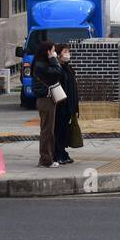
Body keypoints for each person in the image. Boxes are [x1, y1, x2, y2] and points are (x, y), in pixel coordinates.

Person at [31, 40, 63, 168]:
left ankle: (47, 157)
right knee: (47, 130)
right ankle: (45, 159)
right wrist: (54, 60)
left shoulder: (41, 63)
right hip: (45, 99)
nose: (54, 53)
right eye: (53, 50)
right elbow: (58, 72)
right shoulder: (41, 65)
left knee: (49, 129)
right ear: (47, 51)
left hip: (47, 98)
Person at [54, 45, 80, 166]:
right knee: (59, 130)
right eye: (65, 51)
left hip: (70, 105)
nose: (68, 53)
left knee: (64, 130)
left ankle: (63, 152)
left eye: (68, 51)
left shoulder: (68, 68)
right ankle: (58, 154)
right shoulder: (58, 69)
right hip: (61, 105)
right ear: (58, 54)